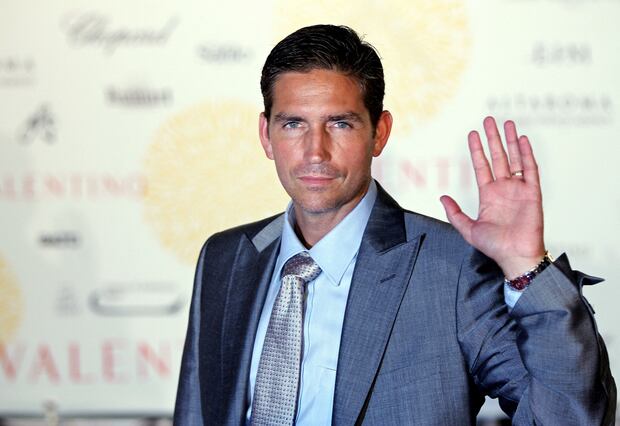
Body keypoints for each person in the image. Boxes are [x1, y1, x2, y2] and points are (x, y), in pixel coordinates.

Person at [173, 24, 616, 425]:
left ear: (379, 132)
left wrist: (526, 266)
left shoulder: (453, 268)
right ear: (266, 134)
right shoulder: (225, 256)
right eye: (293, 124)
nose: (314, 152)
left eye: (340, 124)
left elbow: (572, 418)